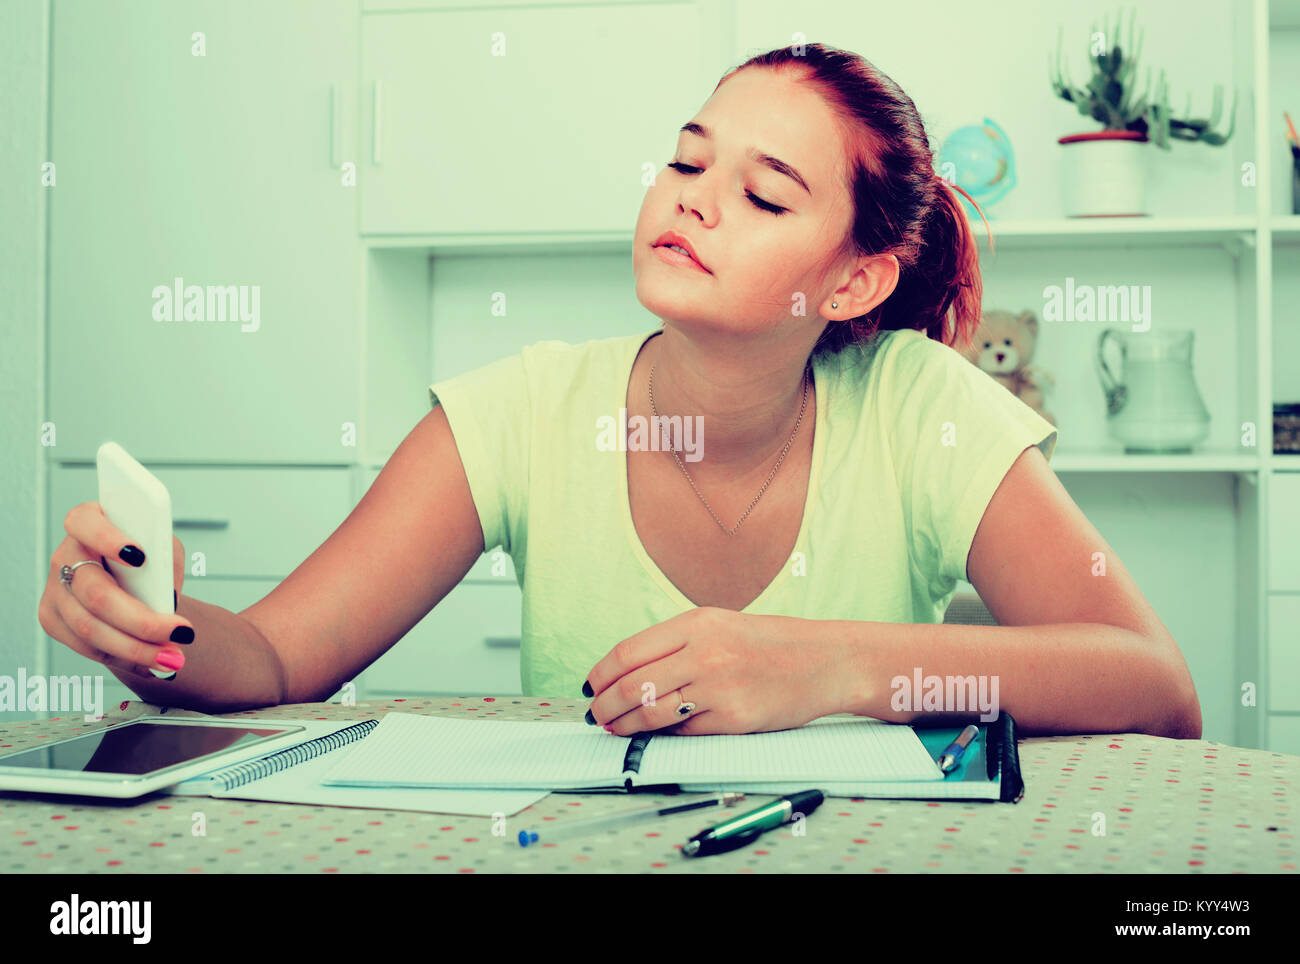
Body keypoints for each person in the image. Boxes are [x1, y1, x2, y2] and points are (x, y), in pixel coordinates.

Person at [38, 42, 1201, 740]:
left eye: (764, 193)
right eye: (689, 161)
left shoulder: (923, 408)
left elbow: (1155, 685)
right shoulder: (520, 415)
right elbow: (282, 659)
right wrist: (154, 636)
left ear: (853, 279)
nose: (692, 197)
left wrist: (832, 667)